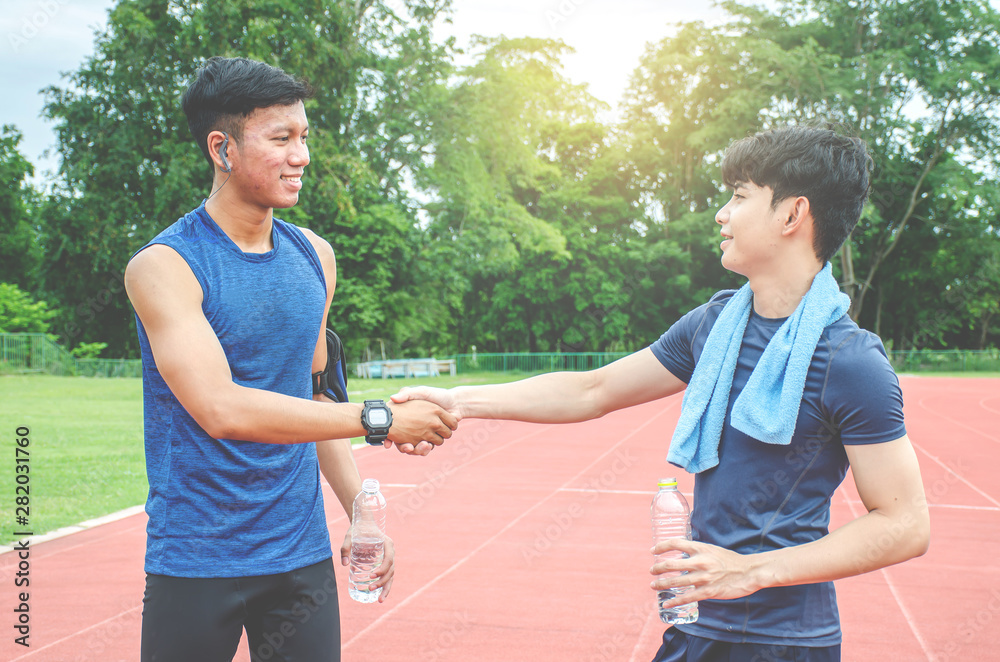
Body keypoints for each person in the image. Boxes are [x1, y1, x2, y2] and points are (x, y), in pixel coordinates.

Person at [392, 126, 930, 661]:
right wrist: (459, 401)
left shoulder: (850, 360)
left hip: (784, 643)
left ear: (792, 214)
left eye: (739, 196)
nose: (721, 214)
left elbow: (905, 524)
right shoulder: (713, 325)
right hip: (694, 623)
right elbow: (593, 389)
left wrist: (752, 570)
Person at [124, 56, 458, 662]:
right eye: (281, 139)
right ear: (222, 149)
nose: (301, 156)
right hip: (197, 560)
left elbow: (315, 397)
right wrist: (380, 419)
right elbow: (222, 409)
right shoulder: (164, 266)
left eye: (304, 137)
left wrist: (360, 514)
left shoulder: (315, 257)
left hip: (300, 559)